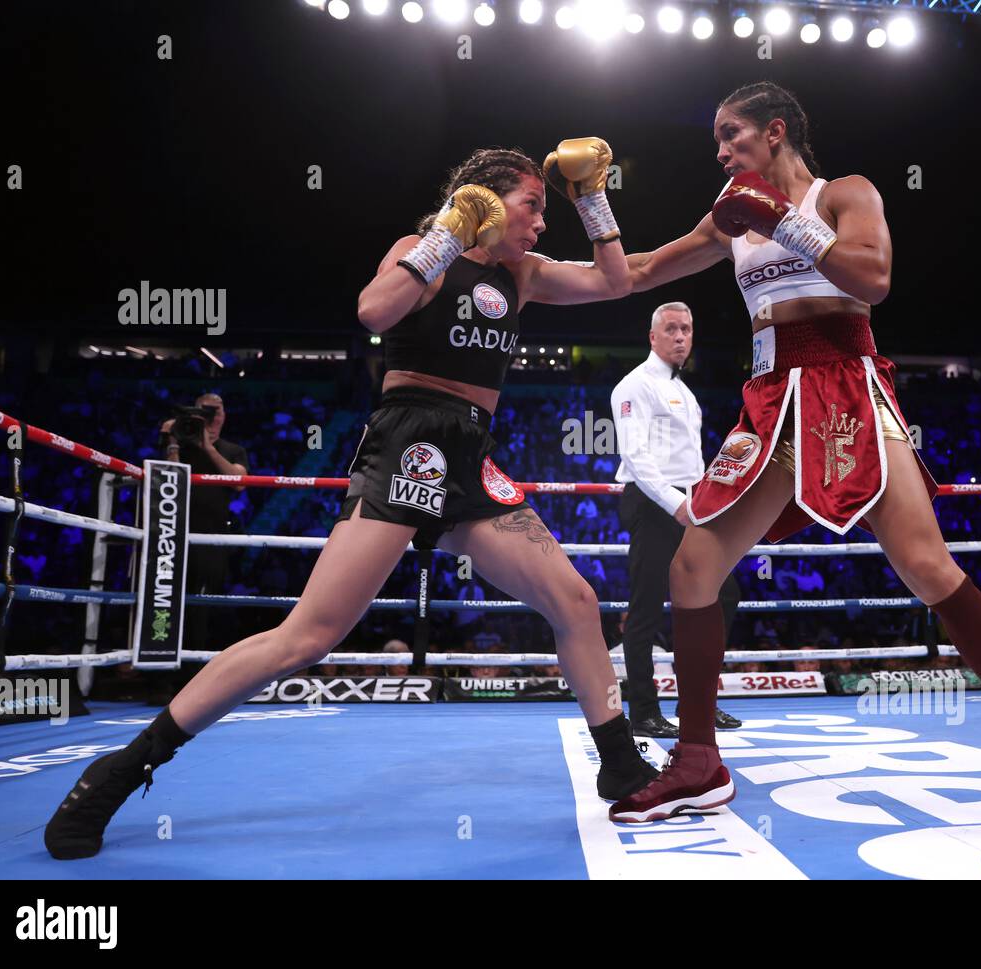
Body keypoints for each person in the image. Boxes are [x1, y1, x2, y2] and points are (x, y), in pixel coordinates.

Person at [45, 141, 657, 860]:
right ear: (484, 201)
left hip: (471, 455)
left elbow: (616, 282)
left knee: (576, 602)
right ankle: (118, 772)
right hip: (407, 443)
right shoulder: (425, 248)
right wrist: (449, 232)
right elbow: (374, 308)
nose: (540, 224)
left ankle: (619, 764)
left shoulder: (521, 275)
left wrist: (593, 198)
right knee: (309, 637)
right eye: (533, 206)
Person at [608, 82, 981, 838]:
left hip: (846, 384)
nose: (719, 149)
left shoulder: (845, 193)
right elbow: (635, 274)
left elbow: (872, 278)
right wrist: (588, 206)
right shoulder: (728, 213)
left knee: (928, 567)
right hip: (770, 400)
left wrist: (780, 220)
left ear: (774, 133)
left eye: (730, 133)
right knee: (691, 568)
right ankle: (699, 757)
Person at [611, 301, 741, 738]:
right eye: (671, 329)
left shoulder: (684, 391)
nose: (681, 336)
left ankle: (699, 706)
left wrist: (702, 501)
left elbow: (692, 460)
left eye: (686, 328)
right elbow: (636, 455)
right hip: (654, 503)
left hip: (691, 504)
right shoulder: (635, 386)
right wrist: (674, 504)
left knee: (722, 597)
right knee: (646, 609)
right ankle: (644, 712)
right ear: (653, 337)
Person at [160, 393, 249, 670]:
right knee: (165, 603)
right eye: (205, 411)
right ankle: (162, 675)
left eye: (216, 410)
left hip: (211, 537)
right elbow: (167, 477)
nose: (211, 416)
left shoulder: (232, 449)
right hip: (169, 534)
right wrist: (172, 442)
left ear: (224, 415)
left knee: (203, 606)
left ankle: (196, 673)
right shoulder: (180, 442)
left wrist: (209, 447)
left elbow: (239, 482)